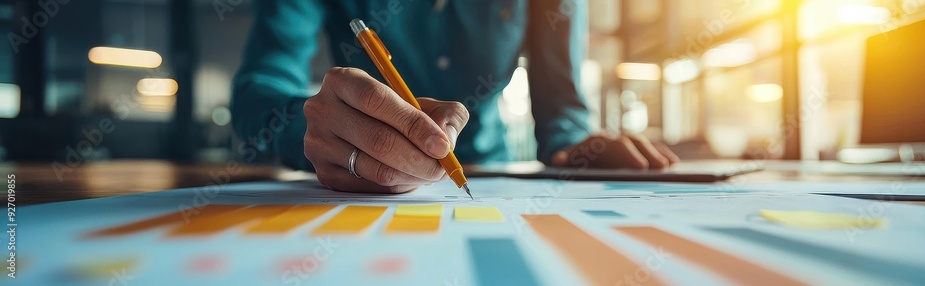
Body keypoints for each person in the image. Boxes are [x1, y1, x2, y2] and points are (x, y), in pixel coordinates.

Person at [231, 0, 678, 194]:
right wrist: (307, 128)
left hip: (497, 171)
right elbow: (257, 94)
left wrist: (574, 147)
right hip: (360, 178)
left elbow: (562, 108)